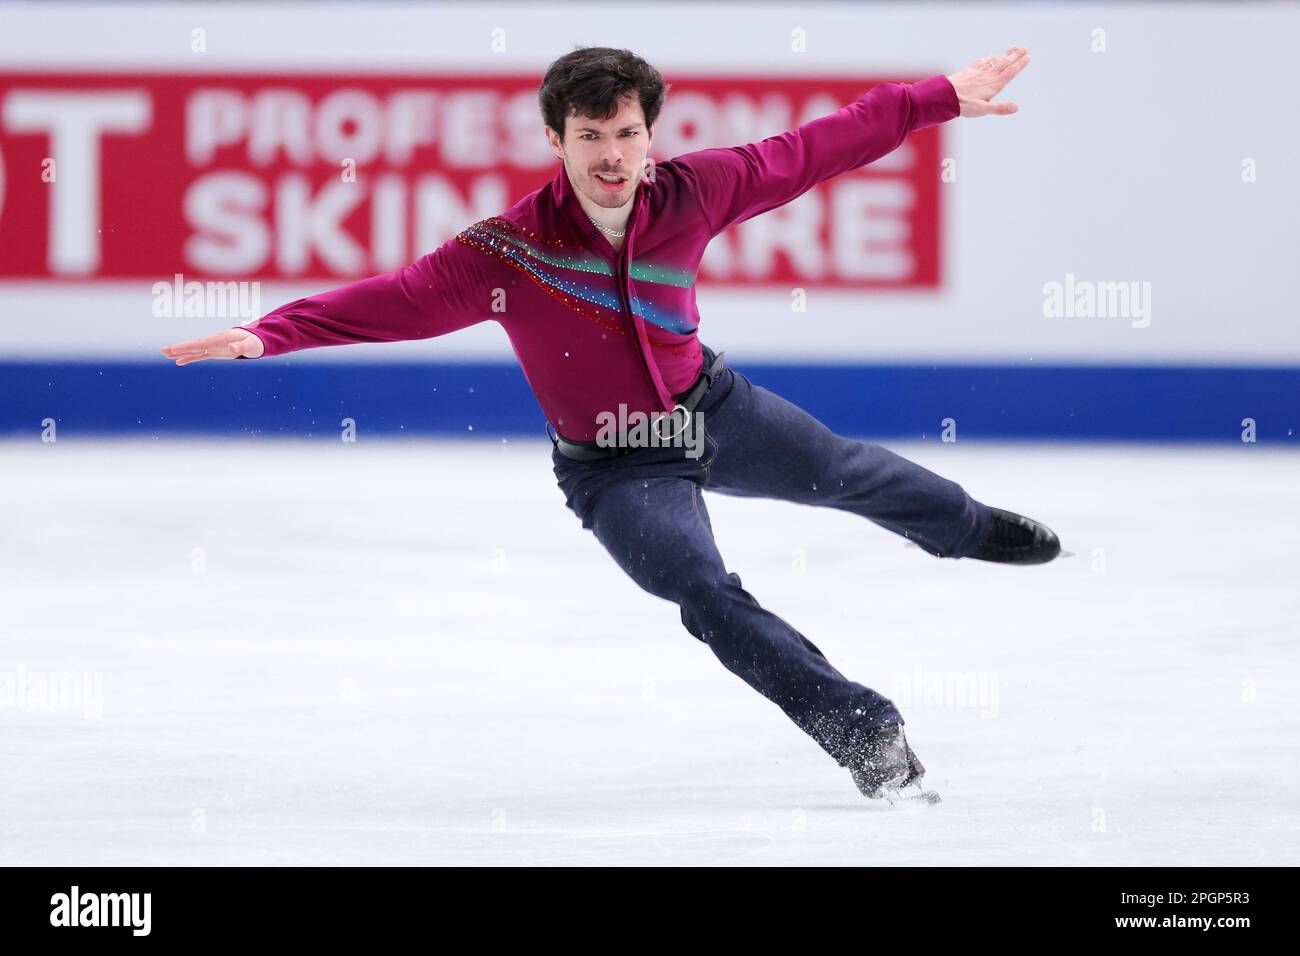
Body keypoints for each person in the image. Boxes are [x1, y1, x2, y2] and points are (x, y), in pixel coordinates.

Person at [162, 45, 1058, 802]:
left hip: (714, 411)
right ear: (555, 139)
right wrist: (270, 332)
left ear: (649, 133)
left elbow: (813, 148)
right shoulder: (507, 250)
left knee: (854, 471)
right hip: (616, 468)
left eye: (627, 133)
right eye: (589, 136)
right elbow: (397, 300)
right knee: (706, 594)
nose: (612, 155)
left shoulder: (696, 191)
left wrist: (935, 98)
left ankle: (969, 528)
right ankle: (867, 737)